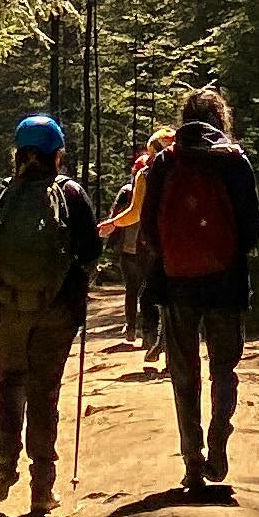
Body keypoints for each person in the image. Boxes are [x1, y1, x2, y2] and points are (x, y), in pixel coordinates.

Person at [136, 84, 259, 499]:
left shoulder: (165, 163)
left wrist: (172, 257)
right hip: (226, 282)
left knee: (184, 374)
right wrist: (228, 253)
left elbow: (150, 227)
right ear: (221, 120)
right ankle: (219, 438)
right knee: (224, 368)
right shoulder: (234, 161)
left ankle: (192, 460)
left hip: (177, 285)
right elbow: (253, 227)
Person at [0, 113, 100, 517]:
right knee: (44, 392)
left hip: (8, 310)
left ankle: (4, 466)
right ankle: (42, 488)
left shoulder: (2, 198)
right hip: (56, 310)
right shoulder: (71, 194)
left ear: (19, 153)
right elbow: (92, 252)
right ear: (56, 154)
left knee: (9, 383)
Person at [102, 122, 175, 363]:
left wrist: (112, 223)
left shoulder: (147, 175)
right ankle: (171, 352)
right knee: (181, 304)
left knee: (150, 296)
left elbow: (135, 212)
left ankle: (156, 341)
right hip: (186, 247)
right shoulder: (193, 169)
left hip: (156, 247)